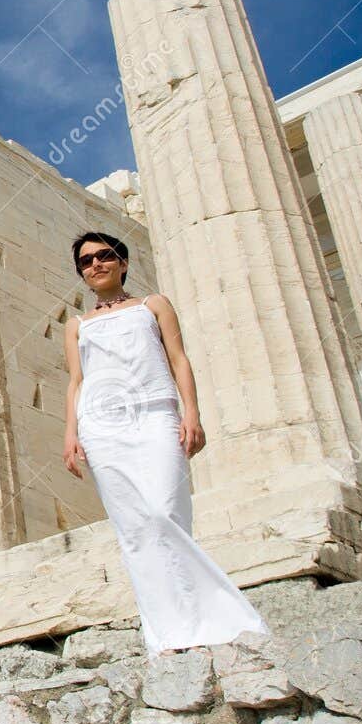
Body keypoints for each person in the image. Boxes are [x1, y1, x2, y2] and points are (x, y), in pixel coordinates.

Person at [62, 230, 269, 656]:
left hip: (155, 415)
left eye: (105, 256)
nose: (96, 264)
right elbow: (76, 381)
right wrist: (71, 434)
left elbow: (178, 358)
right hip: (102, 428)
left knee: (164, 513)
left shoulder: (153, 304)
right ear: (82, 274)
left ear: (122, 262)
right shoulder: (76, 325)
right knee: (134, 531)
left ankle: (218, 616)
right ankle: (166, 634)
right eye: (86, 261)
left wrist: (190, 412)